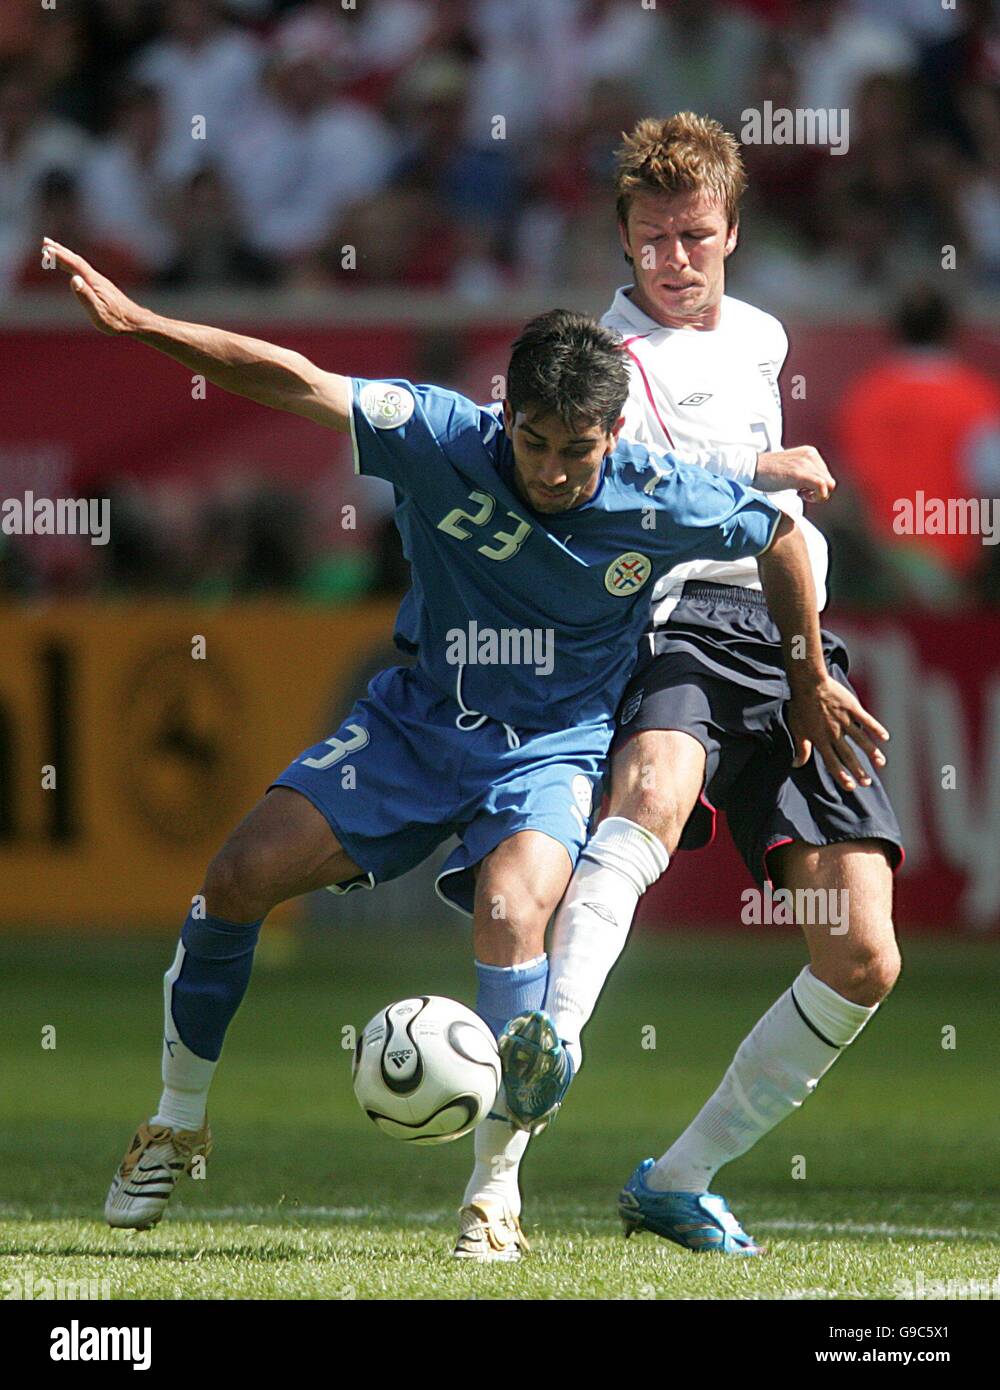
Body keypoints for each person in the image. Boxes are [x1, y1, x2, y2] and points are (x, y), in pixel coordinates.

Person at [45, 236, 887, 1262]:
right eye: (534, 444)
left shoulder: (654, 490)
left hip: (551, 749)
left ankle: (493, 1190)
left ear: (612, 433)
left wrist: (806, 679)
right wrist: (143, 325)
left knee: (511, 910)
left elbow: (786, 540)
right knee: (237, 874)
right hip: (415, 723)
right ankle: (174, 1120)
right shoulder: (442, 435)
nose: (553, 470)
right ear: (508, 418)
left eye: (577, 451)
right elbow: (291, 378)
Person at [491, 113, 905, 1257]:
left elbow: (772, 521)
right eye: (652, 240)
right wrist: (757, 467)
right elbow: (622, 471)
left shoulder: (764, 338)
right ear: (622, 242)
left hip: (792, 633)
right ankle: (547, 1049)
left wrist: (808, 659)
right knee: (652, 794)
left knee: (861, 953)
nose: (674, 260)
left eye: (695, 237)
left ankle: (678, 1176)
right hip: (672, 620)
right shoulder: (602, 358)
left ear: (730, 232)